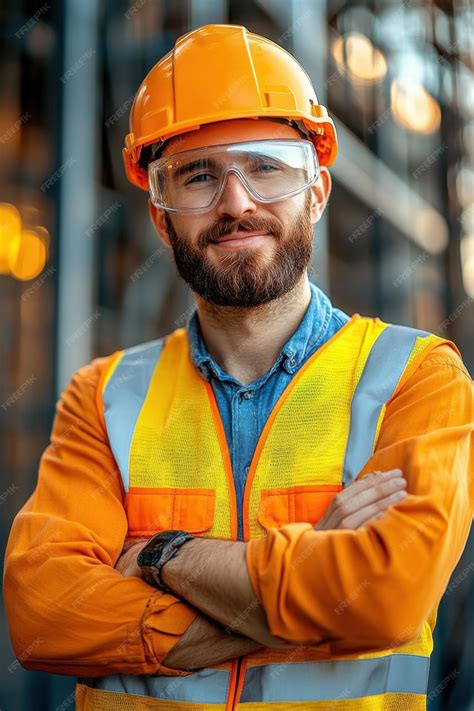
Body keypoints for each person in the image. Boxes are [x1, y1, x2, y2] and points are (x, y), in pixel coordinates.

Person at [4, 24, 473, 711]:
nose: (236, 203)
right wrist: (310, 593)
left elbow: (384, 595)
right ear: (162, 219)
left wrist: (166, 557)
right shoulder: (102, 398)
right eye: (197, 175)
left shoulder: (417, 378)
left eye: (266, 164)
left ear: (316, 190)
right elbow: (41, 613)